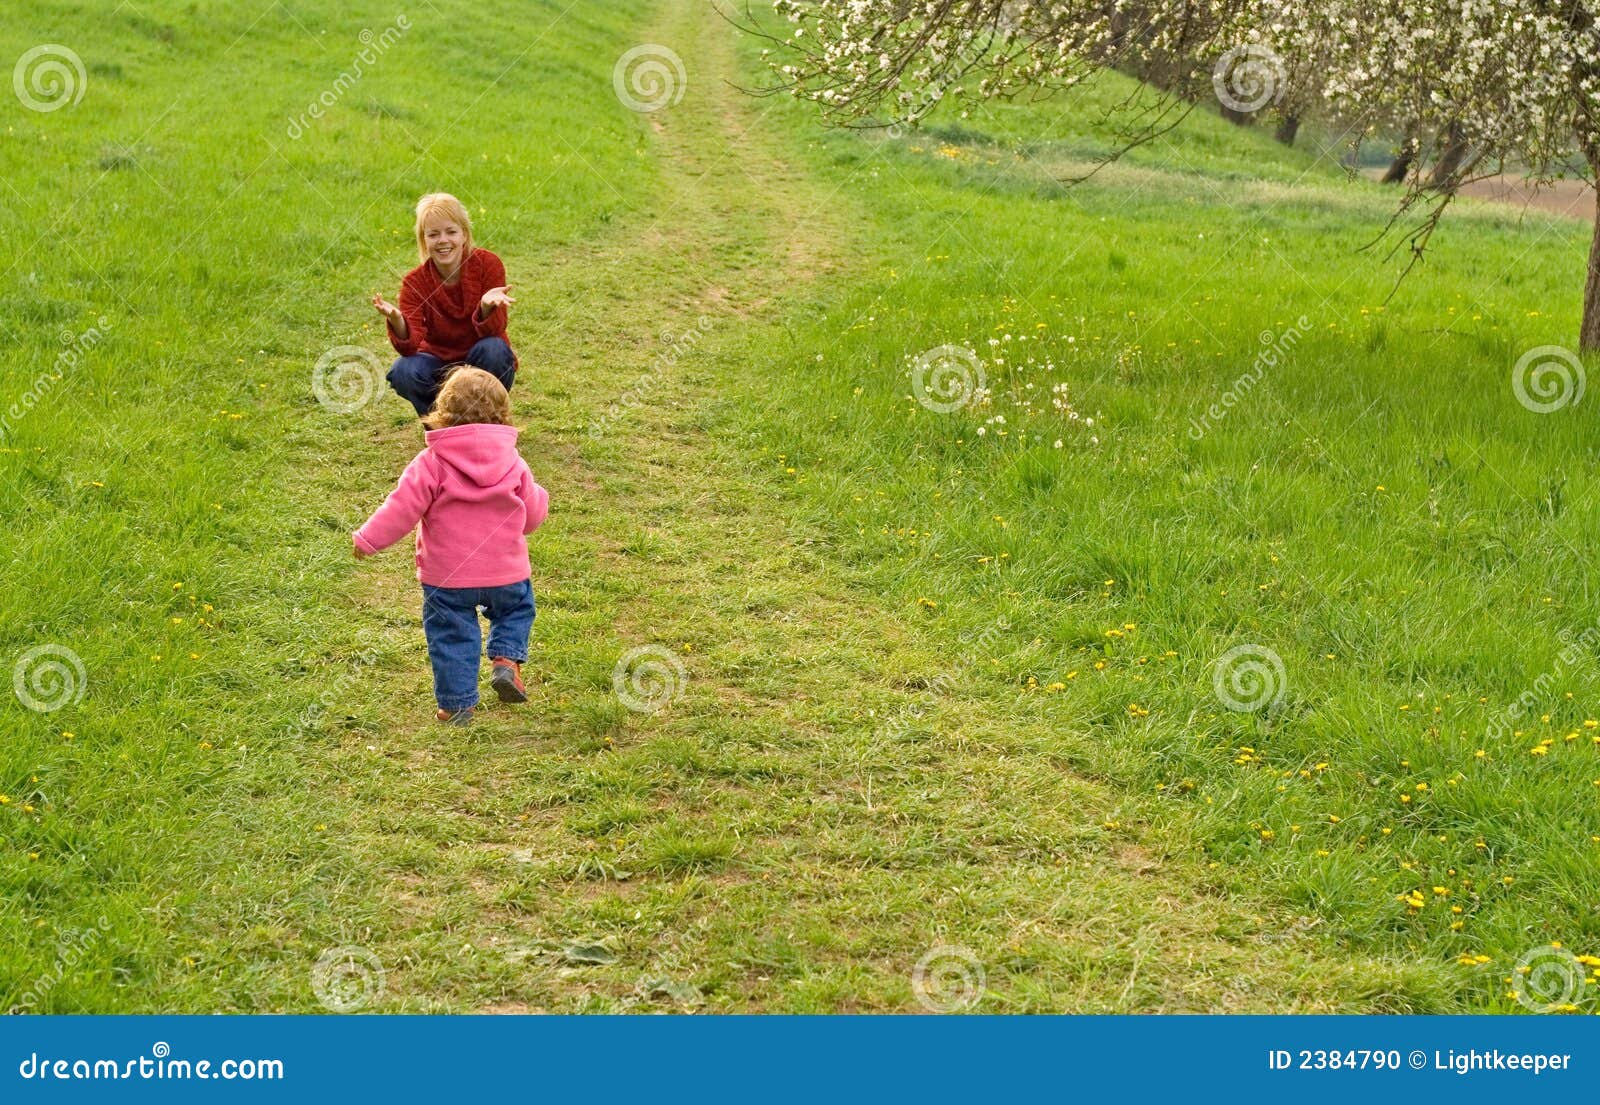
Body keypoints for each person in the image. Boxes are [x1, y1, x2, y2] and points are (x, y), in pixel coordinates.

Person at [352, 367, 549, 724]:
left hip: (447, 577)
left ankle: (457, 705)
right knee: (516, 610)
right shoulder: (515, 462)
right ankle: (506, 659)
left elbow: (400, 509)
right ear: (503, 415)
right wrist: (540, 497)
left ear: (441, 412)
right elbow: (532, 518)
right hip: (505, 572)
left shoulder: (431, 463)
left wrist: (368, 540)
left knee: (451, 634)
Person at [373, 193, 518, 416]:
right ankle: (441, 424)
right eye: (433, 234)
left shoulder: (488, 264)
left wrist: (485, 307)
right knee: (403, 370)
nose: (443, 240)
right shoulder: (414, 283)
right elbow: (408, 348)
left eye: (451, 232)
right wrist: (398, 320)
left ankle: (488, 422)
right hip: (438, 364)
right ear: (424, 240)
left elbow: (496, 331)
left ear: (464, 234)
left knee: (494, 350)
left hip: (480, 360)